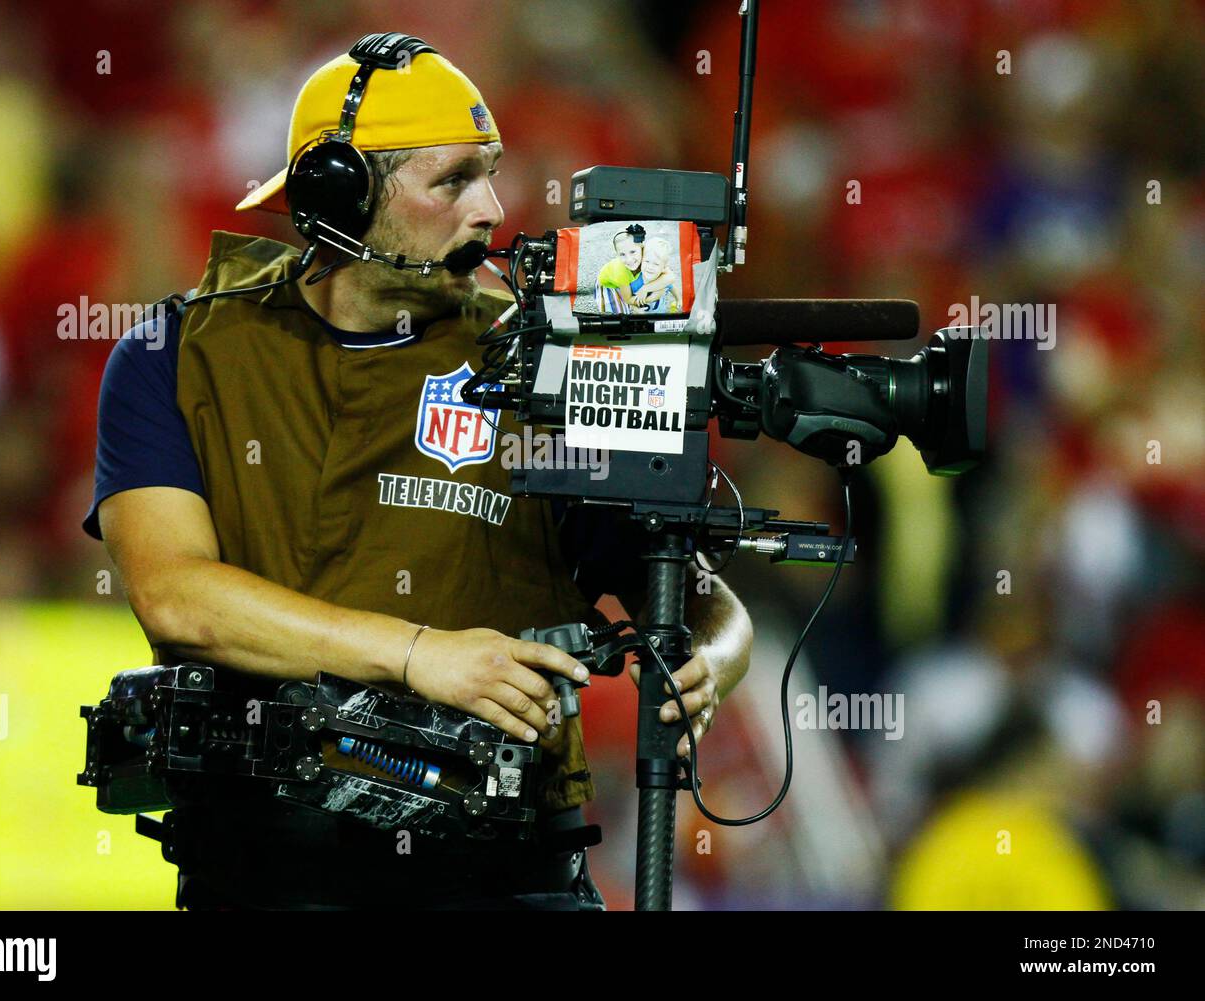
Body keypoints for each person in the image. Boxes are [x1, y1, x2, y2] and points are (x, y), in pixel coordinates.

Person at [84, 36, 753, 910]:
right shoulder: (174, 353)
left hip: (509, 875)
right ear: (340, 194)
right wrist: (418, 656)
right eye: (454, 180)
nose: (493, 209)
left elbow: (694, 593)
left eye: (493, 174)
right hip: (268, 872)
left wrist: (715, 656)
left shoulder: (545, 361)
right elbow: (175, 595)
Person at [594, 224, 647, 313]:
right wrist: (635, 307)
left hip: (623, 280)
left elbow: (667, 276)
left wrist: (646, 289)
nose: (629, 260)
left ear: (642, 248)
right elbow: (628, 299)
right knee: (619, 312)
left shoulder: (648, 256)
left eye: (633, 252)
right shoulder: (621, 272)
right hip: (608, 283)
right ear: (617, 254)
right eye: (622, 254)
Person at [629, 236, 683, 313]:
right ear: (641, 260)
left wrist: (679, 299)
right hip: (642, 317)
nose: (650, 267)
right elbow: (628, 299)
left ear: (664, 267)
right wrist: (635, 309)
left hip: (661, 313)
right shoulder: (635, 282)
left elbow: (672, 287)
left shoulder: (663, 279)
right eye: (647, 261)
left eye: (656, 264)